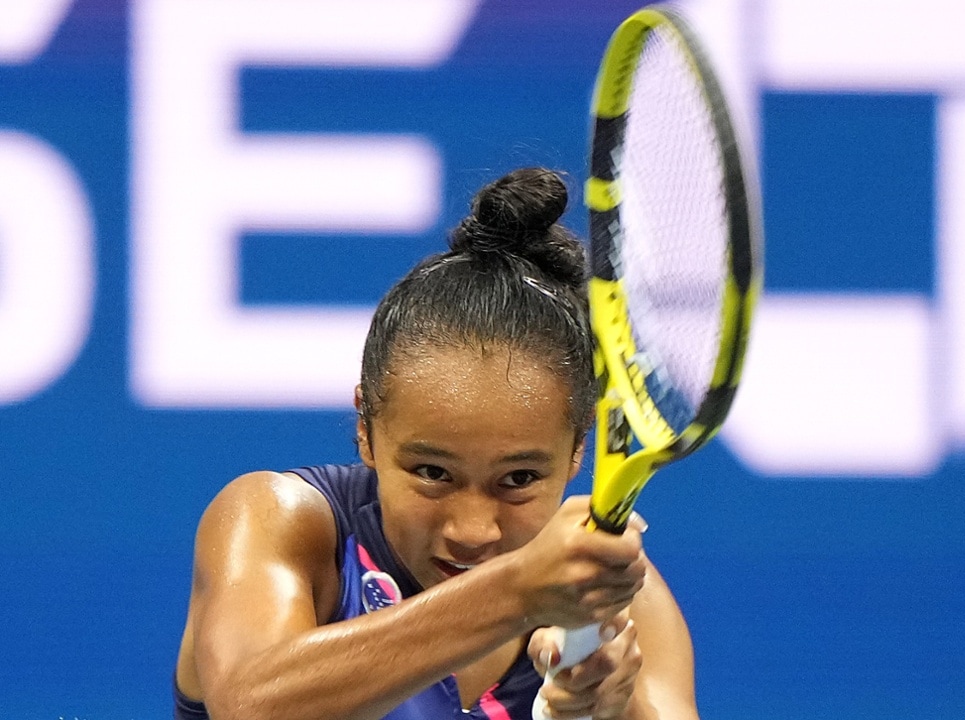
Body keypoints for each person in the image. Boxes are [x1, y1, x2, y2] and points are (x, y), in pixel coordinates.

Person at [172, 168, 699, 720]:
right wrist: (515, 591)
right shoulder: (277, 520)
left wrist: (604, 717)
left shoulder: (614, 594)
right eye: (432, 472)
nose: (472, 532)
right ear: (366, 427)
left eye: (518, 479)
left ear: (576, 451)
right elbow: (250, 705)